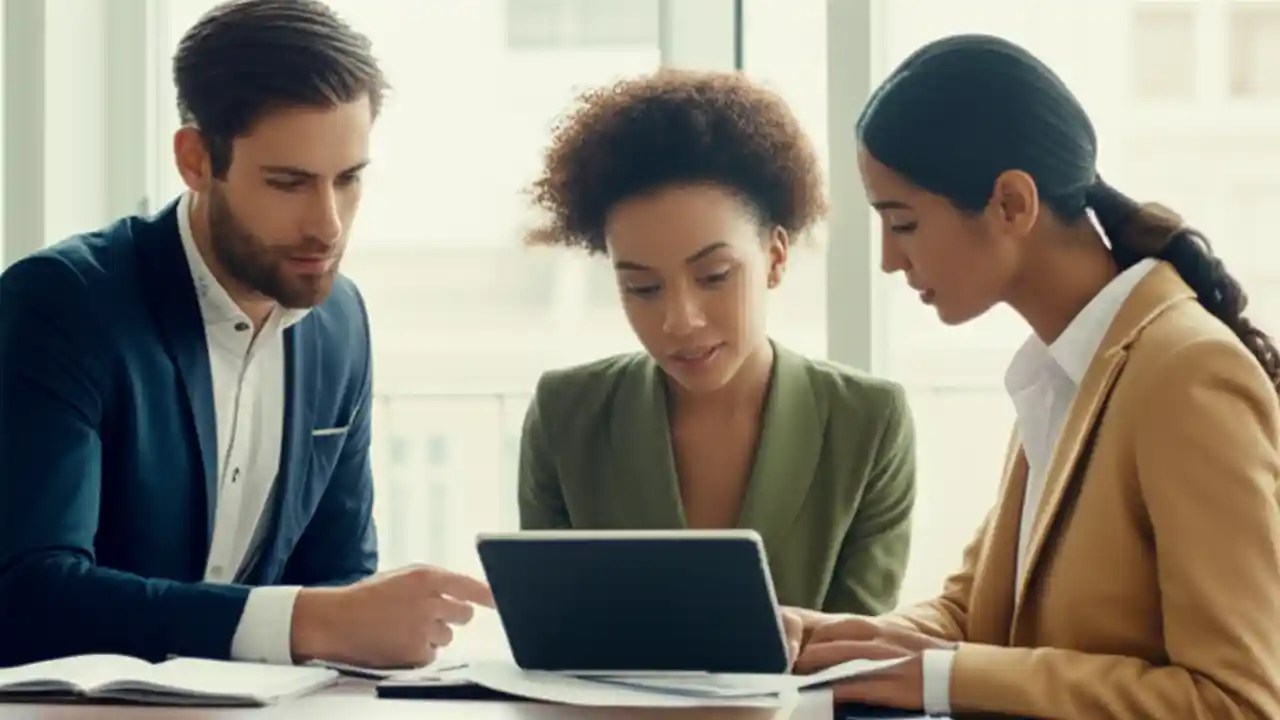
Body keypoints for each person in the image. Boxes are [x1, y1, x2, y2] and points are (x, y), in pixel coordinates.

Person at [791, 34, 1280, 719]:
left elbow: (1237, 701)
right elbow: (978, 612)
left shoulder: (1187, 374)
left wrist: (938, 676)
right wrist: (835, 638)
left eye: (902, 222)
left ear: (1012, 205)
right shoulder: (1065, 369)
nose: (889, 262)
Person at [0, 0, 492, 669]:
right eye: (289, 183)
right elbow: (28, 595)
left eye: (348, 180)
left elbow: (339, 575)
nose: (329, 225)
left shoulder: (339, 322)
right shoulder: (61, 304)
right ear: (196, 160)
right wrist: (307, 623)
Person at [517, 69, 917, 614]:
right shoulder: (567, 416)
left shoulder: (867, 423)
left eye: (714, 276)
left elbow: (853, 647)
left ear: (775, 257)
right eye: (642, 287)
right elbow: (554, 631)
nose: (679, 321)